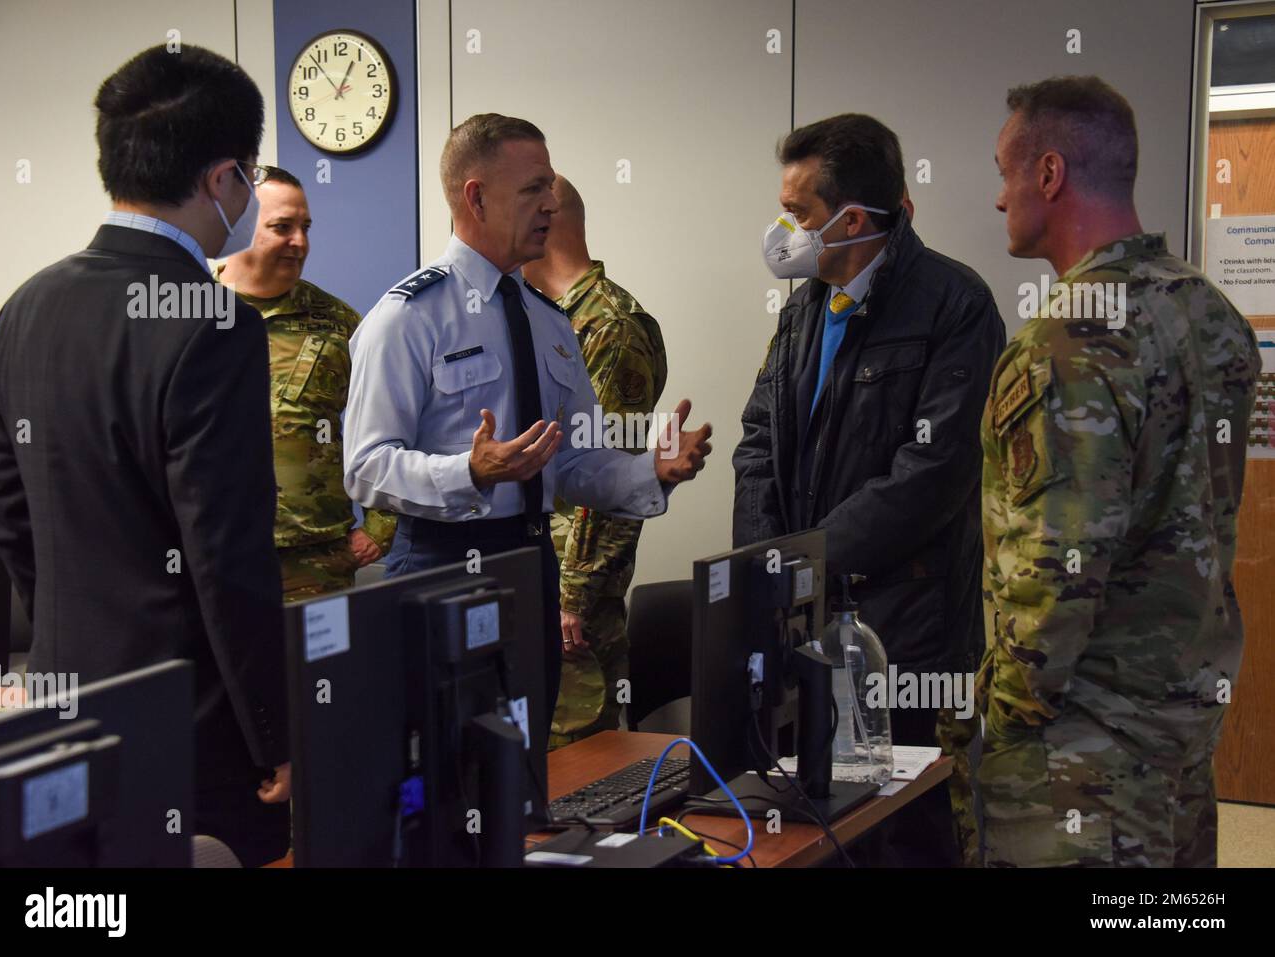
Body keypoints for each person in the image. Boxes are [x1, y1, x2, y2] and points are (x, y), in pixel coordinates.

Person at [0, 45, 291, 867]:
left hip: (63, 708)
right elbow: (227, 559)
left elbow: (9, 513)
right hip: (192, 724)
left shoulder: (25, 307)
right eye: (252, 175)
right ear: (223, 178)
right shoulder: (215, 324)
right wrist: (276, 733)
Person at [343, 113, 711, 725]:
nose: (551, 204)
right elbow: (364, 467)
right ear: (476, 198)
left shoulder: (549, 319)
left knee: (527, 760)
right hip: (441, 565)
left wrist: (651, 471)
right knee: (442, 759)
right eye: (533, 189)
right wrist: (469, 472)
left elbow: (575, 464)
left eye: (550, 188)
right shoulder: (408, 316)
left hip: (531, 563)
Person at [978, 75, 1260, 867]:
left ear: (1049, 173)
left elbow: (1056, 572)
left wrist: (1002, 717)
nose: (999, 199)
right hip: (1182, 722)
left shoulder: (1063, 343)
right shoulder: (1211, 312)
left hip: (1082, 754)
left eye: (1005, 173)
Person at [732, 113, 1006, 866]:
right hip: (806, 618)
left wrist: (804, 560)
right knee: (823, 823)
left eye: (799, 214)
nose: (784, 232)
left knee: (910, 829)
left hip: (908, 631)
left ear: (852, 219)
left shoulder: (954, 303)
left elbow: (933, 472)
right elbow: (757, 440)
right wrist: (768, 564)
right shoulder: (805, 307)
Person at [522, 176, 667, 747]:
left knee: (579, 761)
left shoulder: (611, 326)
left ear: (546, 218)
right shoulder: (543, 315)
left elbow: (611, 475)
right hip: (538, 582)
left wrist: (572, 596)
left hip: (574, 603)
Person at [214, 165, 397, 601]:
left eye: (305, 228)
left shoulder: (337, 321)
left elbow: (389, 423)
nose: (300, 242)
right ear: (238, 226)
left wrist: (380, 527)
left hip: (317, 560)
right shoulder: (190, 314)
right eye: (282, 227)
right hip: (214, 555)